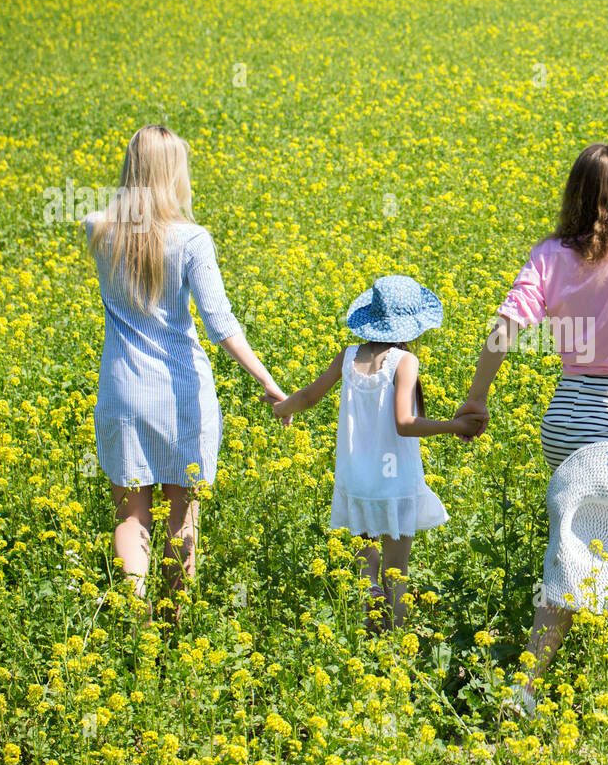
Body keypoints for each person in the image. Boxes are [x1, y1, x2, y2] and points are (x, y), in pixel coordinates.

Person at [454, 143, 608, 716]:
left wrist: (476, 398)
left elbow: (506, 326)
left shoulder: (552, 254)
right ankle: (531, 686)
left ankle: (573, 666)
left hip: (563, 417)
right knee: (594, 552)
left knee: (580, 543)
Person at [86, 125, 286, 614]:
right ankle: (175, 623)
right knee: (182, 513)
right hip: (180, 391)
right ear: (173, 173)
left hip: (122, 390)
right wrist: (267, 381)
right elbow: (220, 323)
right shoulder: (192, 239)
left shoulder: (97, 228)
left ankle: (131, 618)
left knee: (131, 514)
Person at [272, 275, 484, 629]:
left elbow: (309, 396)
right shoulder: (404, 360)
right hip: (394, 482)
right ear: (411, 325)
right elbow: (404, 422)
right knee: (396, 572)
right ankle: (395, 646)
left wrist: (282, 408)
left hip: (357, 481)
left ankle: (370, 639)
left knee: (366, 570)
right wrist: (455, 426)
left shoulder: (348, 355)